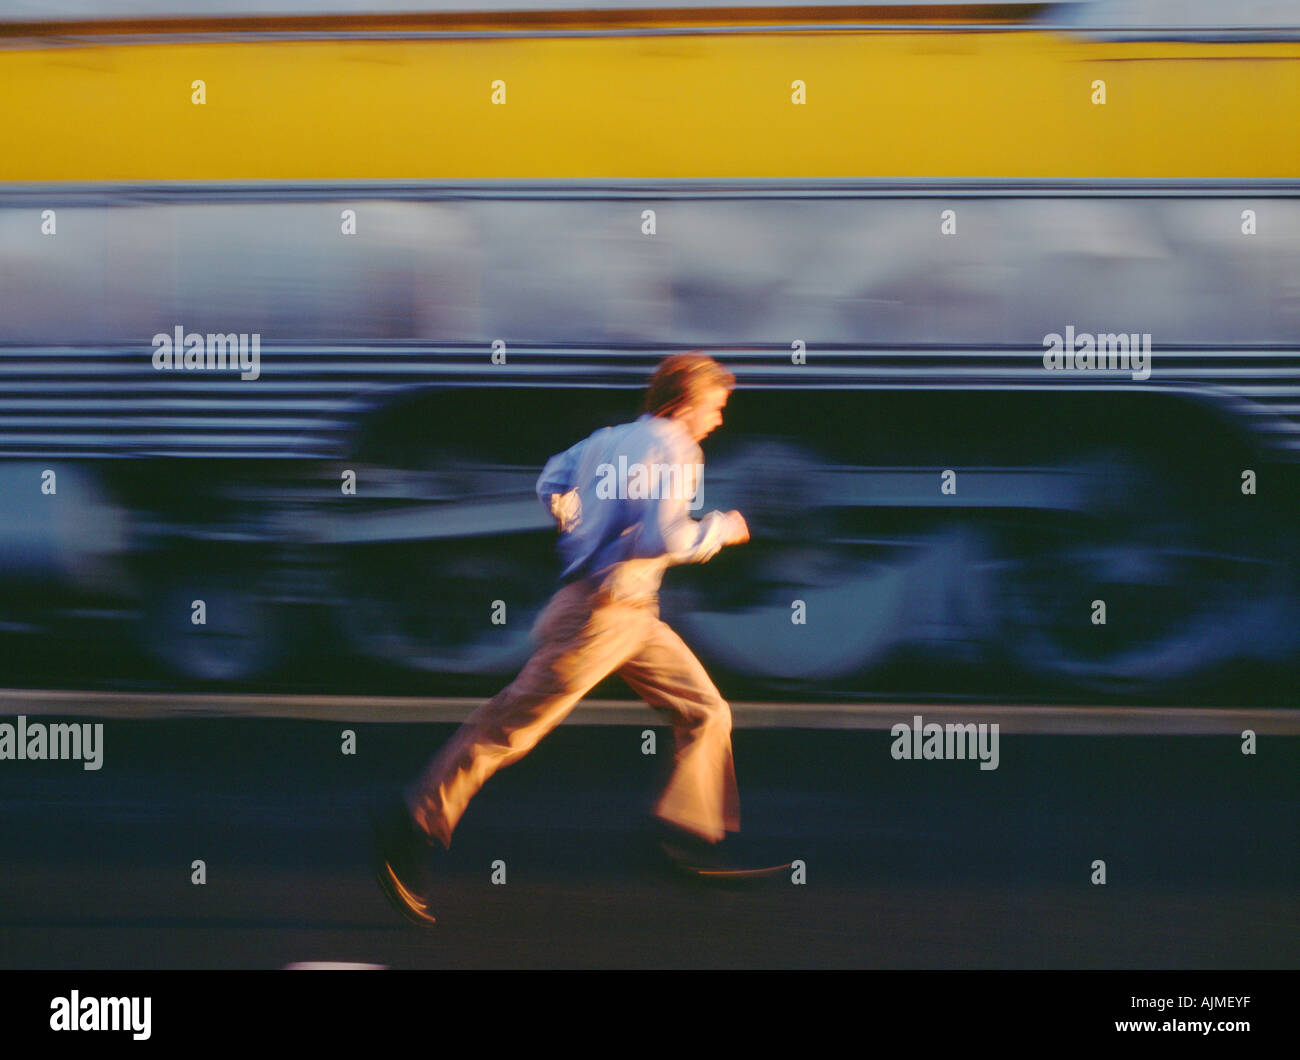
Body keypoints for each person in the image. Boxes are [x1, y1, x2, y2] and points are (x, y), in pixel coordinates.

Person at [374, 353, 760, 926]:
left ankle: (679, 836)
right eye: (715, 406)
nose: (719, 419)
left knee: (707, 710)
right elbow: (666, 538)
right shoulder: (679, 448)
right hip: (602, 616)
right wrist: (722, 529)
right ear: (685, 402)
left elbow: (550, 479)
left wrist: (575, 521)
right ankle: (410, 825)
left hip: (627, 612)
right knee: (510, 726)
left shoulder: (606, 439)